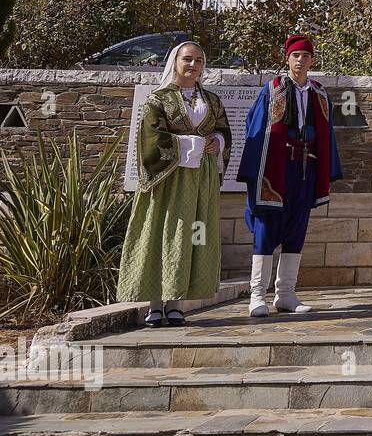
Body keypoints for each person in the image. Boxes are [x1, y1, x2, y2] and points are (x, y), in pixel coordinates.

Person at [117, 42, 231, 327]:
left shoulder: (213, 100)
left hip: (200, 180)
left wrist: (217, 142)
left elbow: (222, 129)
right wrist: (192, 144)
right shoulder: (158, 100)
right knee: (165, 233)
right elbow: (151, 140)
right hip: (168, 178)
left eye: (199, 61)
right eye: (188, 59)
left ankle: (177, 303)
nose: (193, 65)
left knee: (195, 233)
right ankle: (156, 304)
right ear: (175, 61)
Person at [237, 34, 343, 317]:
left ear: (312, 60)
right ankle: (257, 295)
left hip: (305, 170)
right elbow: (255, 127)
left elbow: (326, 133)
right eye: (296, 55)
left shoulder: (319, 93)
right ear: (287, 59)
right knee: (267, 227)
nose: (301, 60)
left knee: (297, 229)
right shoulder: (272, 90)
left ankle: (286, 294)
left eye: (306, 56)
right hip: (276, 169)